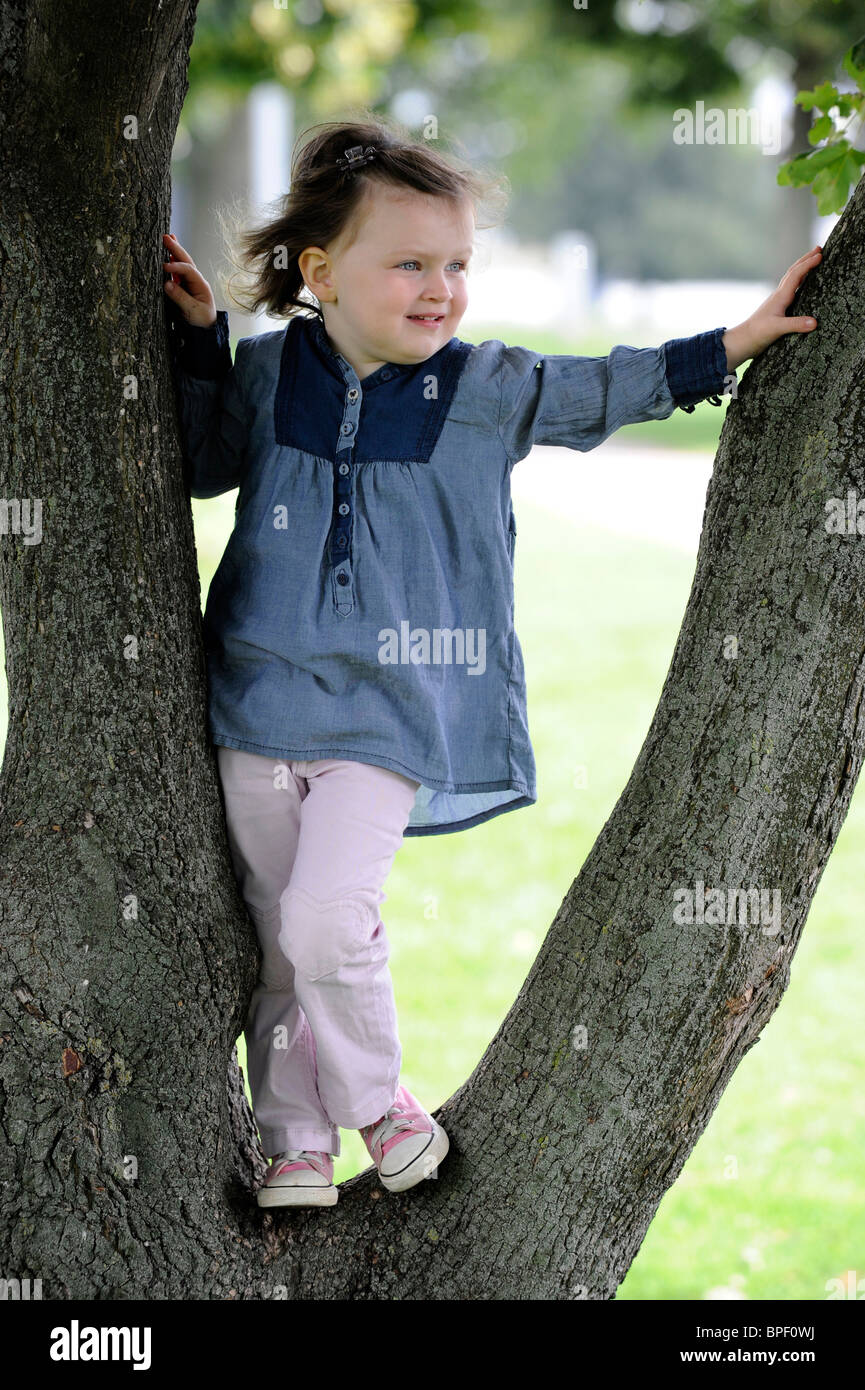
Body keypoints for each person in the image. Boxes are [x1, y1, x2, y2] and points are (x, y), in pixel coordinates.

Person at [161, 115, 822, 1209]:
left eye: (457, 264)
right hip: (253, 704)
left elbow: (606, 386)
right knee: (282, 940)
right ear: (320, 272)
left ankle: (381, 1107)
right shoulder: (272, 373)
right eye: (411, 263)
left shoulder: (484, 387)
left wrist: (735, 342)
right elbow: (203, 463)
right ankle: (293, 1143)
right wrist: (195, 343)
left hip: (390, 717)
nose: (442, 288)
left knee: (328, 917)